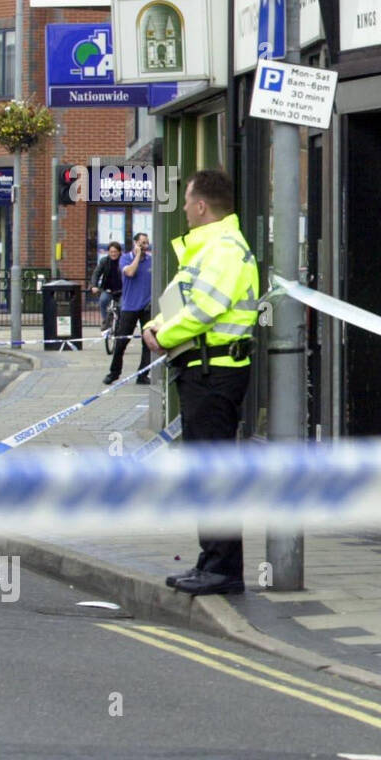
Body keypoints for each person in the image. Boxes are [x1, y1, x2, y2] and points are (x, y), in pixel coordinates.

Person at [143, 169, 260, 597]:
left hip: (217, 372)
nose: (185, 211)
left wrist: (163, 336)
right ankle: (211, 561)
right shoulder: (207, 248)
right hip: (202, 371)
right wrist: (156, 325)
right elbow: (181, 301)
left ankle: (223, 569)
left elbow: (205, 308)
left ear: (200, 205)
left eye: (187, 202)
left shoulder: (225, 248)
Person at [104, 232, 154, 385]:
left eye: (146, 243)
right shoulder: (125, 259)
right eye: (142, 243)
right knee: (122, 341)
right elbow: (130, 272)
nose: (145, 246)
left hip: (147, 307)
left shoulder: (151, 261)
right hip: (130, 306)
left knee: (147, 342)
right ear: (135, 243)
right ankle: (114, 373)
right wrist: (137, 256)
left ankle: (143, 374)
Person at [89, 241, 124, 329]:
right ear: (108, 252)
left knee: (122, 307)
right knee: (103, 300)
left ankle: (120, 325)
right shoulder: (104, 261)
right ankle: (106, 322)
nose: (113, 254)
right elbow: (96, 273)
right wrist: (94, 285)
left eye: (115, 252)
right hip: (108, 289)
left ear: (119, 252)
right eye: (111, 252)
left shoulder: (124, 261)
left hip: (122, 291)